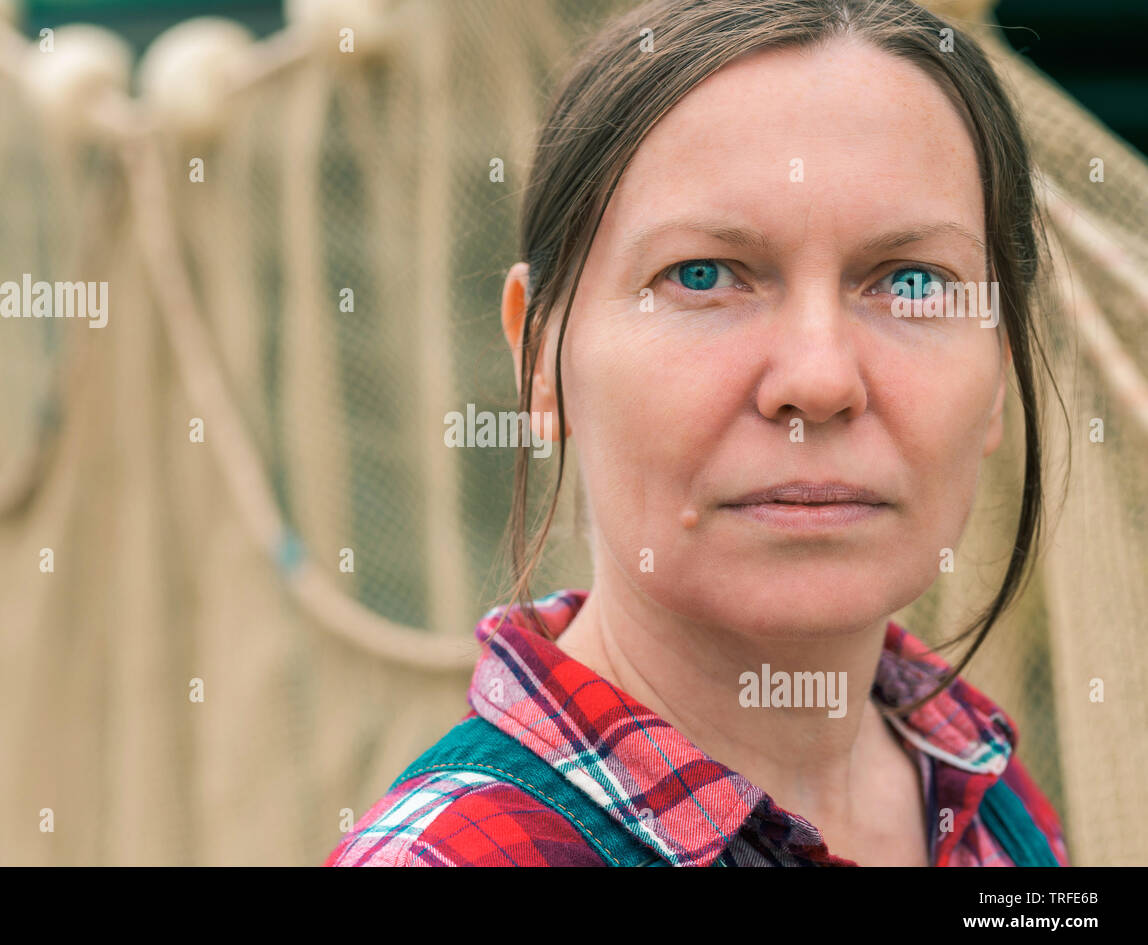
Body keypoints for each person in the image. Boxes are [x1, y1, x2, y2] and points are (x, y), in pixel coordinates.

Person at [325, 0, 1069, 866]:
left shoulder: (985, 789)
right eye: (703, 275)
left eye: (910, 283)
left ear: (999, 375)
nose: (819, 381)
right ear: (540, 358)